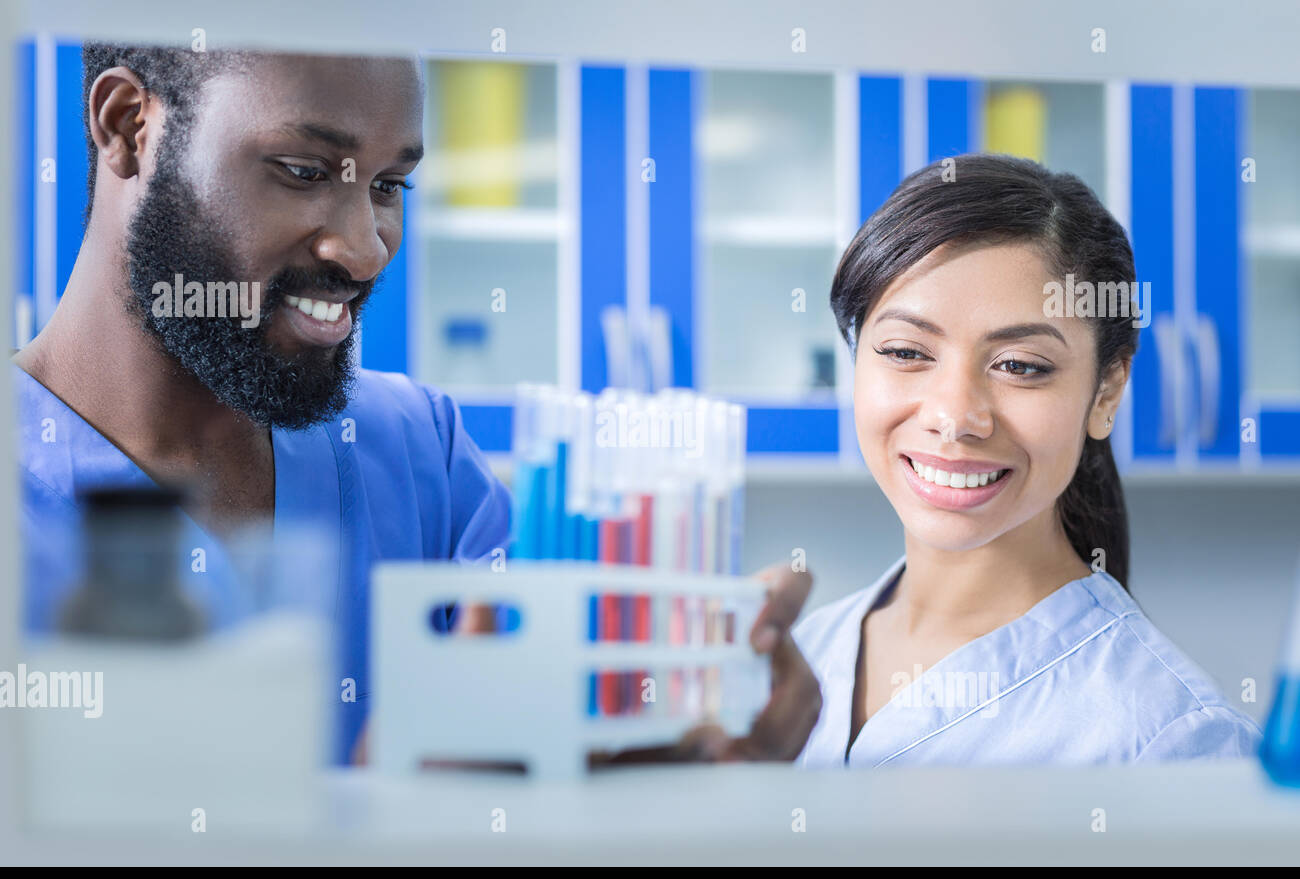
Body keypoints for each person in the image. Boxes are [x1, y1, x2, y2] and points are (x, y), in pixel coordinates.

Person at [13, 44, 820, 766]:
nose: (365, 248)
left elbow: (559, 753)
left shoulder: (414, 449)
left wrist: (683, 752)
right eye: (302, 170)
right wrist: (390, 814)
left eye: (391, 184)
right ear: (127, 125)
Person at [792, 154, 1262, 768]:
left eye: (1019, 366)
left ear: (1106, 392)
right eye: (907, 351)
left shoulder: (1173, 740)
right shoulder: (798, 658)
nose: (956, 415)